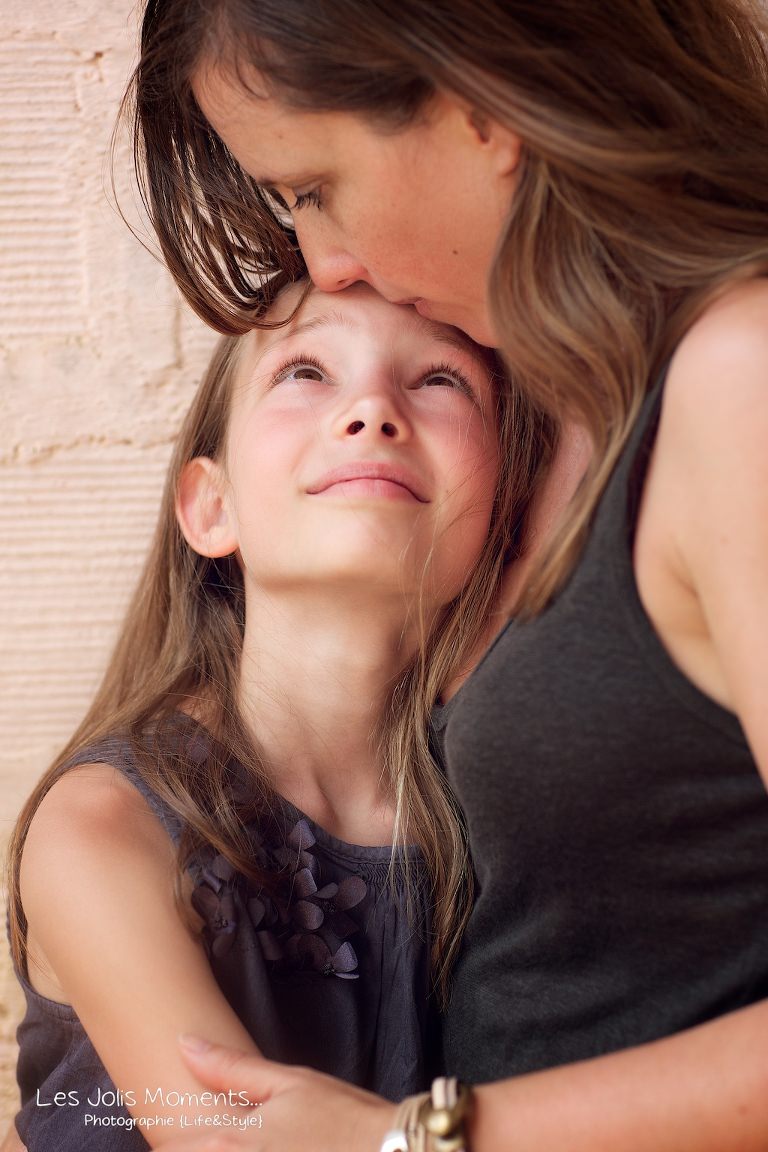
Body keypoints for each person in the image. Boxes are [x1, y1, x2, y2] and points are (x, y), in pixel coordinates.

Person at [124, 0, 768, 1149]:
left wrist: (425, 1138)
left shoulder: (742, 381)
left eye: (313, 185)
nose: (327, 261)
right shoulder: (543, 417)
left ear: (481, 107)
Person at [5, 277, 515, 1150]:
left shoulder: (499, 811)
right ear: (214, 505)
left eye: (439, 380)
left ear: (508, 506)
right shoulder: (105, 826)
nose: (371, 411)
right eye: (308, 370)